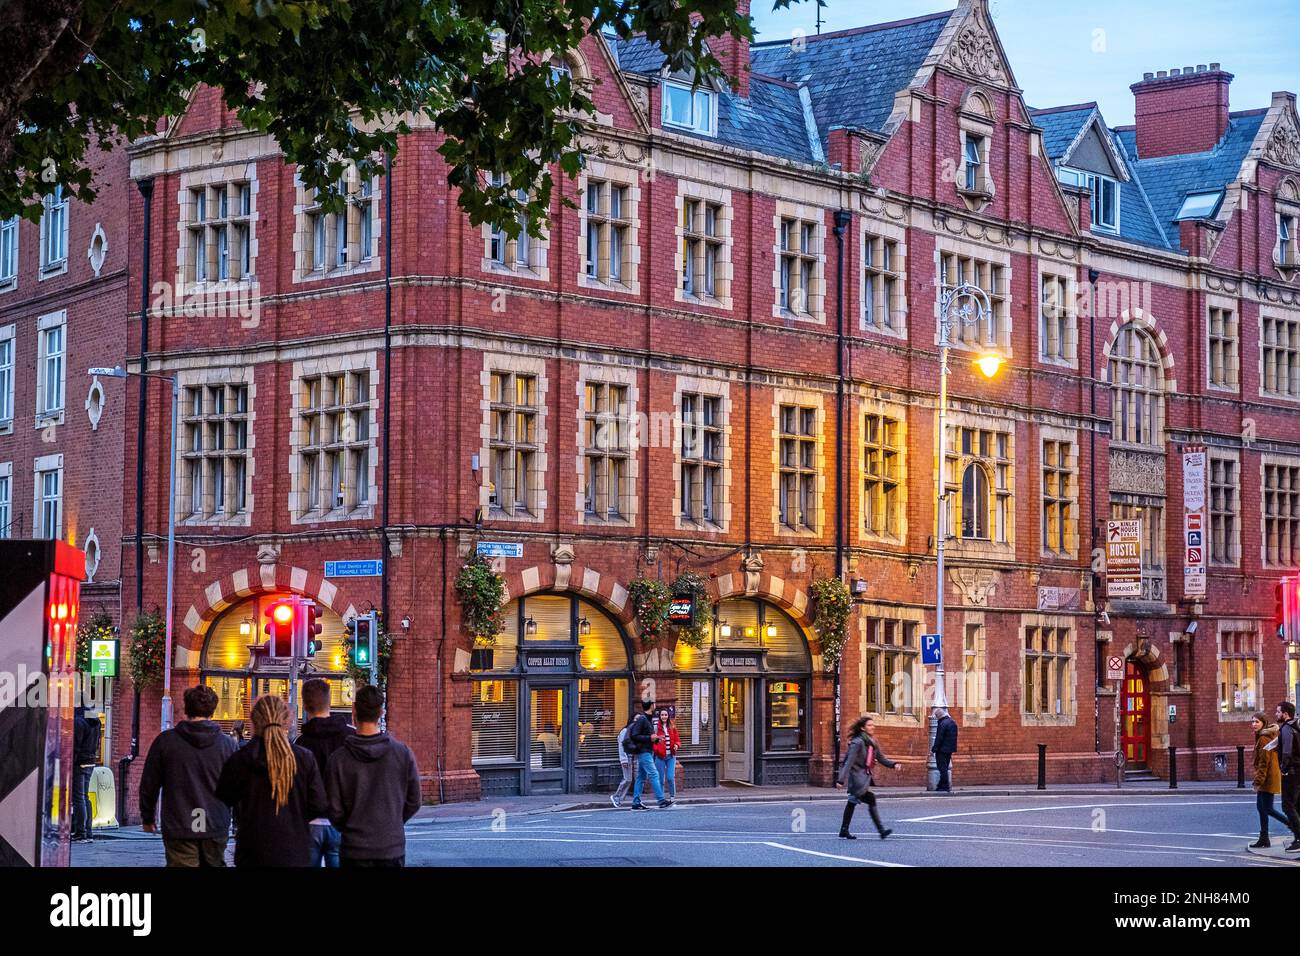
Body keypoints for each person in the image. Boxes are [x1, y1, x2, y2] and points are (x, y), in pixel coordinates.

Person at [215, 695, 328, 867]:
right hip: (295, 851)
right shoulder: (303, 758)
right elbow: (319, 805)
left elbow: (224, 796)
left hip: (252, 851)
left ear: (253, 720)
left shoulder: (241, 759)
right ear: (287, 721)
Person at [139, 685, 239, 867]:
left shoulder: (166, 742)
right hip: (215, 822)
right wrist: (238, 821)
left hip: (179, 824)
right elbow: (238, 788)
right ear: (213, 710)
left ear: (186, 708)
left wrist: (148, 817)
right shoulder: (228, 746)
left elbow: (149, 784)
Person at [325, 685, 422, 866]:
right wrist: (392, 821)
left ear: (354, 710)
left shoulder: (338, 759)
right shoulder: (402, 754)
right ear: (381, 712)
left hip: (354, 849)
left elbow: (334, 810)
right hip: (390, 847)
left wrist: (349, 827)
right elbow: (414, 801)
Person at [295, 678, 356, 867]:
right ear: (329, 701)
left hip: (310, 822)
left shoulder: (300, 743)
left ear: (304, 705)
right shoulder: (350, 738)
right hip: (341, 821)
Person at [837, 714, 902, 840]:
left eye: (873, 725)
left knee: (852, 802)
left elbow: (881, 758)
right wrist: (840, 779)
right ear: (862, 728)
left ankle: (844, 829)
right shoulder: (858, 742)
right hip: (857, 779)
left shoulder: (872, 742)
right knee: (870, 798)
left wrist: (894, 764)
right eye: (869, 725)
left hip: (864, 778)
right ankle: (881, 831)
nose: (873, 727)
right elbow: (849, 761)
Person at [1250, 713, 1294, 848]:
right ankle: (1264, 838)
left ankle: (1294, 825)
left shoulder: (1264, 738)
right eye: (1252, 722)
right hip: (1267, 777)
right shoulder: (1263, 736)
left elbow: (1264, 763)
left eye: (1257, 722)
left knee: (1268, 809)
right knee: (1261, 808)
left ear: (1264, 723)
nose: (1254, 724)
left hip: (1267, 778)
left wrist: (1258, 782)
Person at [628, 699, 671, 810]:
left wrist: (656, 739)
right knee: (654, 774)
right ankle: (661, 800)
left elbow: (647, 736)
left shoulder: (648, 719)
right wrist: (650, 738)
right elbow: (634, 735)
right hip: (643, 752)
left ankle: (636, 802)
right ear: (651, 705)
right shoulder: (642, 719)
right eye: (654, 704)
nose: (655, 705)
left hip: (647, 750)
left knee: (641, 777)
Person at [72, 707, 100, 842]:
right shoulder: (95, 720)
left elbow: (75, 745)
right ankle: (88, 832)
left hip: (80, 763)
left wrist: (72, 760)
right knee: (85, 797)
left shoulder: (78, 721)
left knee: (78, 798)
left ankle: (80, 833)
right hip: (91, 761)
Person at [1275, 701, 1300, 852]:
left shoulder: (1286, 729)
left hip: (1291, 772)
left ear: (1285, 714)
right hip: (1298, 770)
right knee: (1297, 805)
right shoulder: (1297, 726)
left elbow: (1287, 752)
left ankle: (1299, 838)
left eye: (1278, 712)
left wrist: (1283, 768)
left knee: (1287, 805)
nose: (1276, 714)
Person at [652, 707, 681, 805]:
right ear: (659, 716)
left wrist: (676, 745)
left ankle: (672, 797)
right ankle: (662, 800)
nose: (664, 716)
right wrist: (656, 749)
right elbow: (652, 741)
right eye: (662, 715)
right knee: (660, 779)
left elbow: (677, 739)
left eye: (665, 715)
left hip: (671, 757)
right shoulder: (656, 727)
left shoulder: (672, 726)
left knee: (670, 777)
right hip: (659, 757)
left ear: (668, 716)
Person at [612, 714, 638, 808]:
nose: (637, 722)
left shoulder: (637, 732)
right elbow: (621, 746)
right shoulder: (625, 731)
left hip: (636, 757)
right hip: (627, 757)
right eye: (636, 719)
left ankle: (635, 800)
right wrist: (623, 759)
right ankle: (616, 797)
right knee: (628, 779)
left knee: (637, 779)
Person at [932, 707, 959, 793]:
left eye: (936, 717)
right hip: (950, 749)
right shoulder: (952, 722)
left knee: (942, 768)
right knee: (945, 768)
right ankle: (941, 785)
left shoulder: (942, 723)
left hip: (942, 750)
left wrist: (934, 749)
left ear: (938, 716)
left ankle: (945, 786)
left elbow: (939, 738)